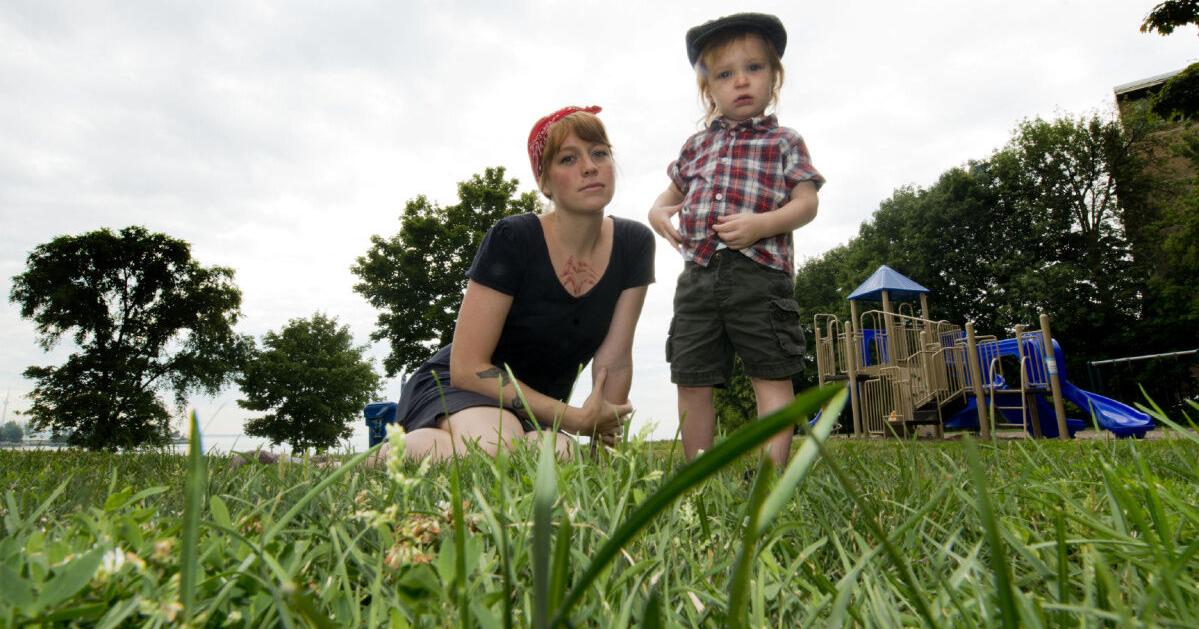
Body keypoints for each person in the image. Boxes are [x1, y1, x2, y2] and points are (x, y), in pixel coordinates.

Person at [386, 105, 655, 462]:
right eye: (568, 159)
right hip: (459, 387)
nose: (590, 166)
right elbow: (467, 367)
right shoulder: (514, 238)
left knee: (560, 457)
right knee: (496, 444)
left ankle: (433, 447)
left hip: (536, 409)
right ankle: (382, 457)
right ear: (544, 182)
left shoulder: (634, 244)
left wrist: (606, 453)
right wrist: (574, 418)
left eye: (599, 153)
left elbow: (615, 361)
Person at [647, 13, 824, 467]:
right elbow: (668, 197)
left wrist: (761, 225)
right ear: (709, 89)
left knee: (771, 373)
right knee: (692, 376)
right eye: (725, 74)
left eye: (754, 68)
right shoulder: (695, 146)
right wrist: (656, 212)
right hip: (698, 277)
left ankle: (771, 472)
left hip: (759, 275)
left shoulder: (785, 141)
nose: (741, 82)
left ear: (774, 77)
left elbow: (806, 203)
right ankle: (699, 472)